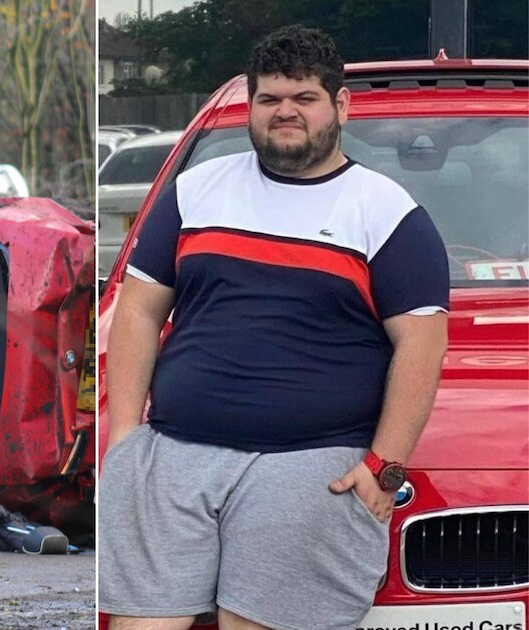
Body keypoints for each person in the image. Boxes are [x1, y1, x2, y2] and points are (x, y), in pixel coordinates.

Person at [98, 25, 449, 630]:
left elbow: (421, 344)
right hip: (173, 455)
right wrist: (125, 437)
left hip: (310, 467)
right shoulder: (194, 191)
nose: (285, 111)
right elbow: (138, 307)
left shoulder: (387, 214)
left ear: (339, 105)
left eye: (304, 97)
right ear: (251, 107)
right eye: (269, 99)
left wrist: (385, 467)